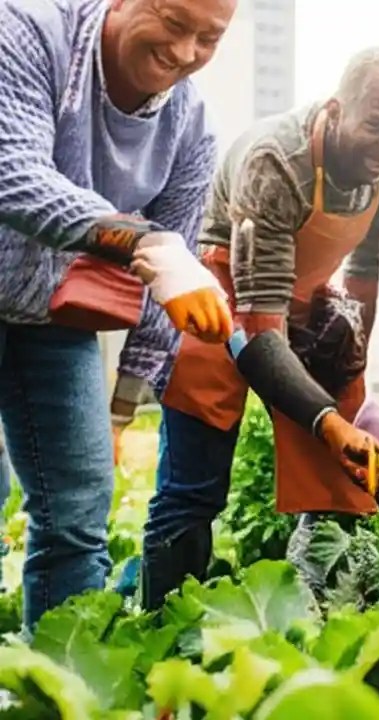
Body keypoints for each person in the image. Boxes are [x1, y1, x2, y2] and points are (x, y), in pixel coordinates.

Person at [142, 48, 379, 610]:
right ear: (337, 111)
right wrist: (326, 420)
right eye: (375, 126)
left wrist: (351, 357)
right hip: (222, 295)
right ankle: (160, 626)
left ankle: (321, 618)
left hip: (309, 303)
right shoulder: (277, 163)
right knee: (193, 489)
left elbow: (364, 269)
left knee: (341, 484)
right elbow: (259, 327)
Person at [0, 0, 236, 627]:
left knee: (78, 514)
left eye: (208, 38)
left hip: (48, 316)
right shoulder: (27, 31)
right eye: (174, 22)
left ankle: (62, 672)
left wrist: (120, 412)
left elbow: (167, 281)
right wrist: (145, 241)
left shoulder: (190, 127)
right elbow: (13, 174)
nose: (185, 52)